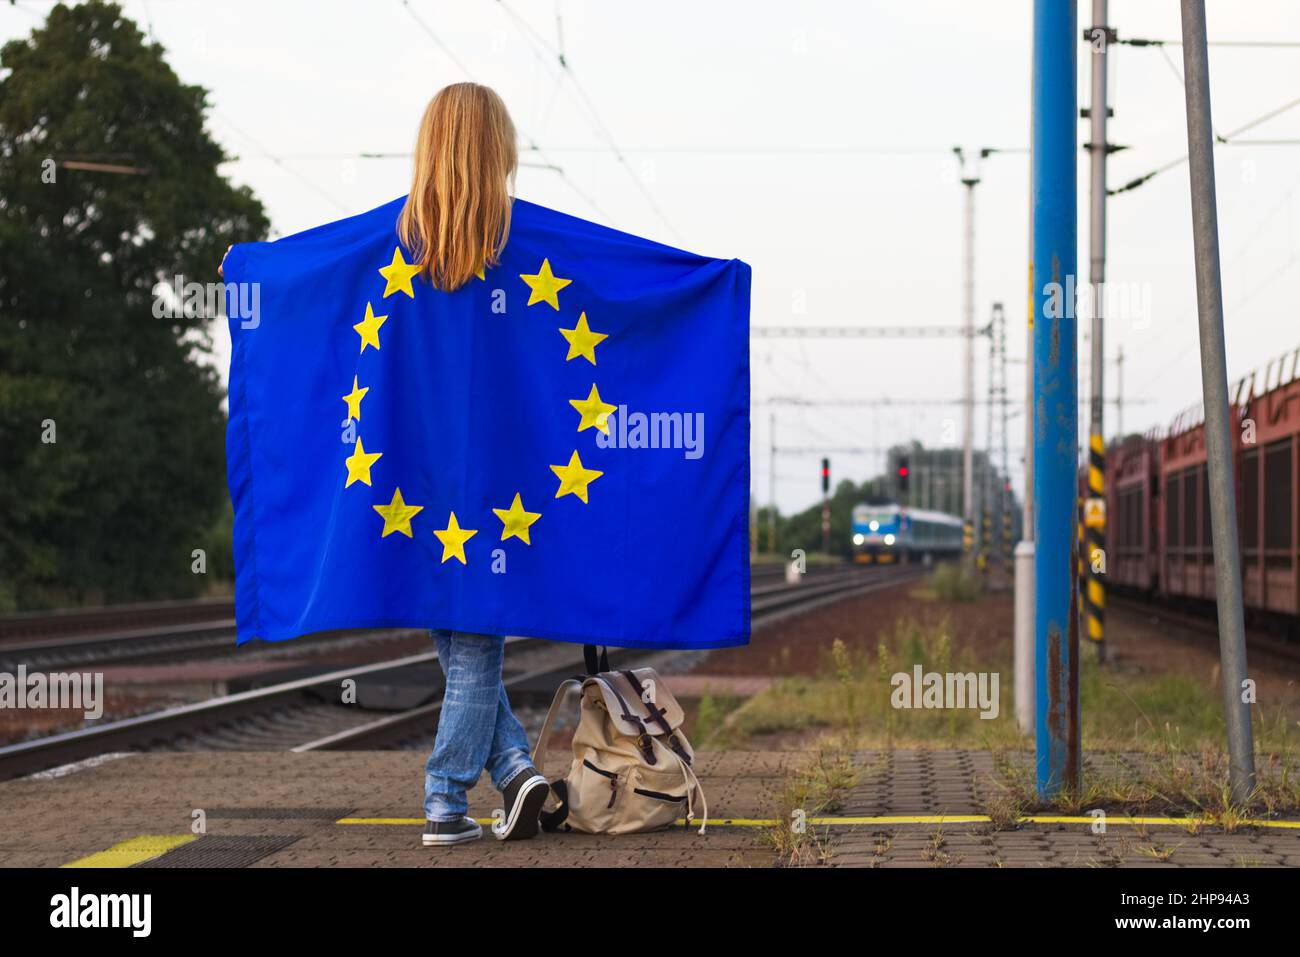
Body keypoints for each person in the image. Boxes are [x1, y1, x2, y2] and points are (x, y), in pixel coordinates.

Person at [220, 83, 549, 846]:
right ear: (496, 150)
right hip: (495, 491)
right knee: (476, 648)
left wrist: (244, 269)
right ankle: (444, 801)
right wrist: (708, 286)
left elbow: (309, 276)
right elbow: (620, 278)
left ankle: (520, 772)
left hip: (408, 485)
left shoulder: (387, 240)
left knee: (469, 644)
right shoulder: (528, 243)